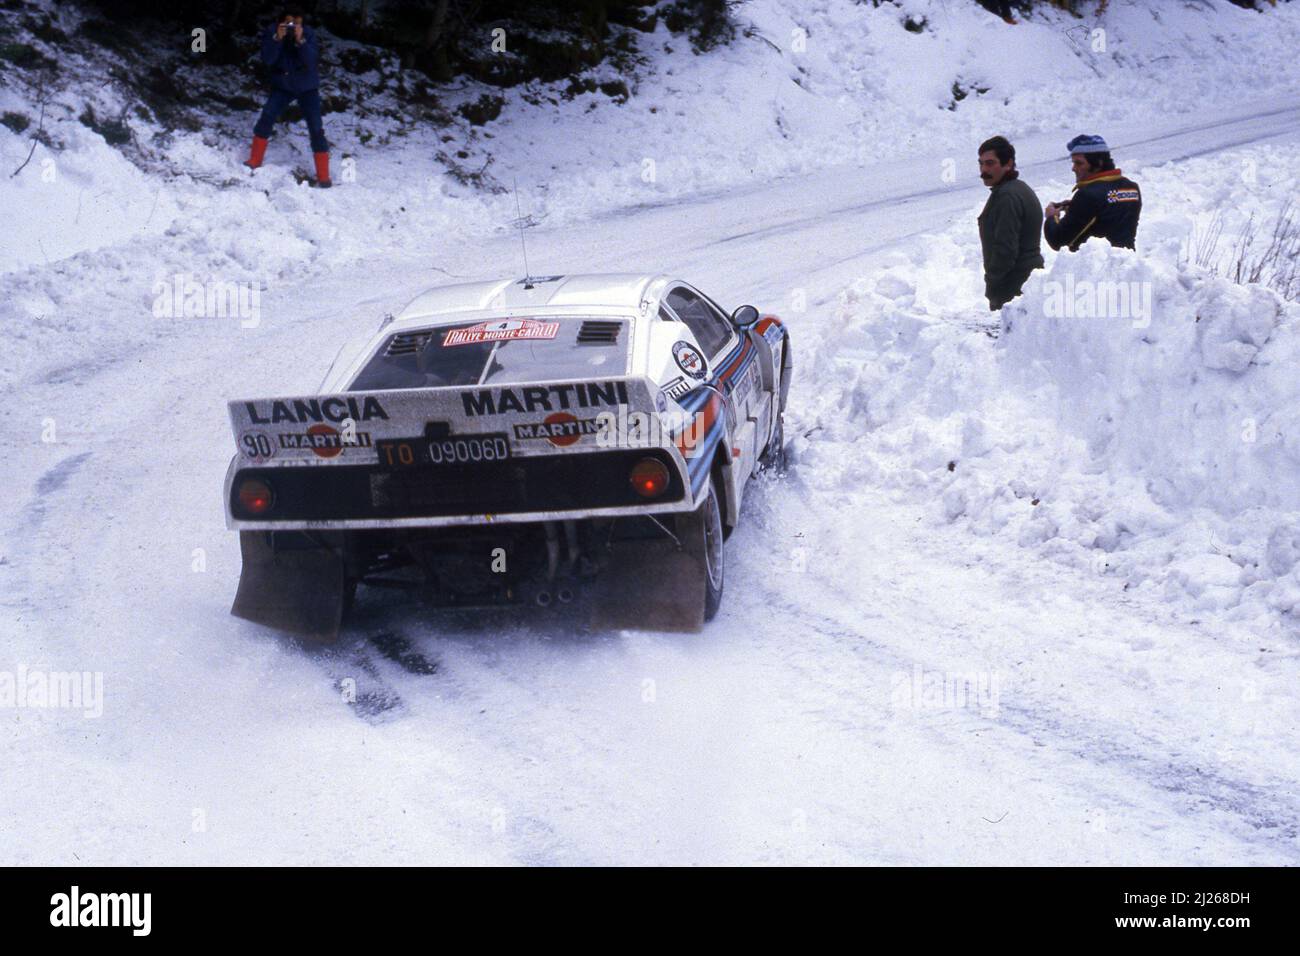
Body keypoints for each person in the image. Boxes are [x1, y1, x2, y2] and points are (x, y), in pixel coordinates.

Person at [244, 7, 332, 188]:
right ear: (281, 22)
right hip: (283, 86)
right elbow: (268, 59)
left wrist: (301, 41)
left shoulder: (309, 34)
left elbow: (311, 60)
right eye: (289, 22)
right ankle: (254, 159)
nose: (293, 26)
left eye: (297, 23)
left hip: (307, 88)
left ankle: (324, 176)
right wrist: (277, 39)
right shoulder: (273, 32)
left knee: (316, 127)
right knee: (267, 116)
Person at [977, 135, 1044, 310]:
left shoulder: (1007, 196)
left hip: (1013, 288)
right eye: (981, 163)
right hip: (1025, 283)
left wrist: (992, 282)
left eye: (990, 163)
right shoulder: (1017, 189)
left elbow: (1005, 249)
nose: (983, 170)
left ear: (1008, 164)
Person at [1044, 134, 1141, 252]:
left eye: (1079, 163)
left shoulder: (1087, 195)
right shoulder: (1131, 187)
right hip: (1126, 261)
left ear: (1098, 163)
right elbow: (1109, 205)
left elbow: (1058, 240)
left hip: (1095, 264)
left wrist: (1052, 217)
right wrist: (1076, 207)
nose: (1073, 168)